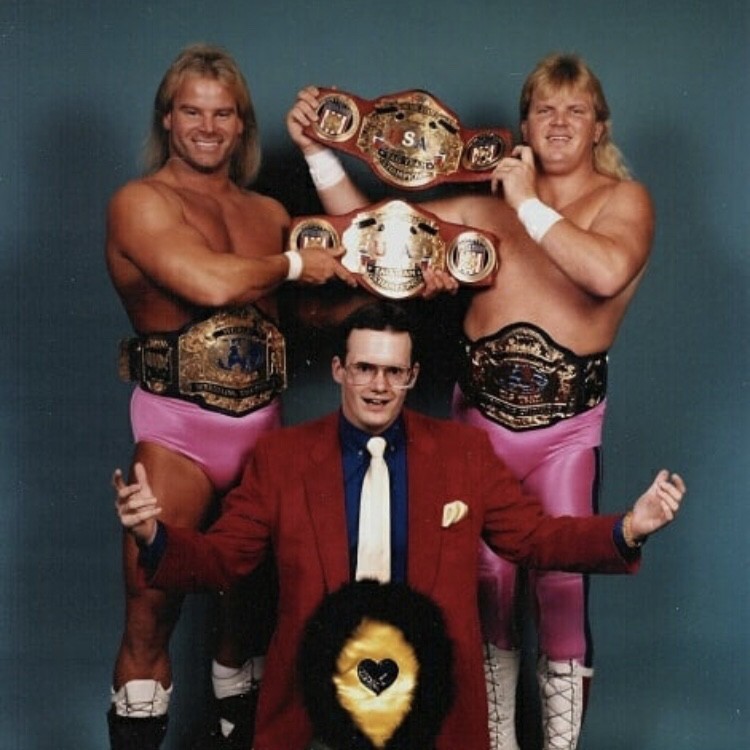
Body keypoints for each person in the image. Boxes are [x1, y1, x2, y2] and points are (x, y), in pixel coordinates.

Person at [114, 301, 685, 750]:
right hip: (315, 701)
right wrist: (154, 537)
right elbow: (224, 559)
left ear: (412, 376)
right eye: (365, 368)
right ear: (339, 370)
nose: (378, 386)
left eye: (393, 372)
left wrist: (628, 528)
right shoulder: (281, 459)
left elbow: (535, 538)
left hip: (434, 706)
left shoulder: (464, 454)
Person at [286, 53, 654, 749]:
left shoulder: (623, 202)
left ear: (600, 126)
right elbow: (370, 234)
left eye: (575, 109)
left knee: (561, 592)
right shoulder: (484, 209)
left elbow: (604, 272)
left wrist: (527, 204)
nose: (559, 123)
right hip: (477, 427)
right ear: (524, 125)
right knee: (486, 593)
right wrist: (317, 153)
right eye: (544, 109)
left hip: (564, 435)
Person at [105, 43, 355, 750]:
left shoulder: (268, 211)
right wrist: (299, 262)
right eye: (192, 112)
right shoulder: (140, 203)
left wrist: (378, 291)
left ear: (242, 123)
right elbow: (211, 283)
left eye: (223, 114)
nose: (208, 127)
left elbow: (305, 313)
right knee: (150, 617)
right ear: (167, 117)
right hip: (176, 436)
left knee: (250, 623)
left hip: (263, 437)